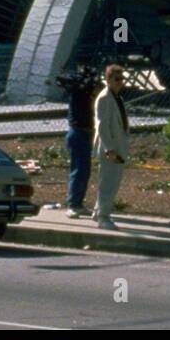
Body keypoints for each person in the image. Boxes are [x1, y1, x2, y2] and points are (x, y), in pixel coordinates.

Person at [92, 63, 131, 230]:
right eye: (116, 79)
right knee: (107, 183)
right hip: (110, 149)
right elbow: (102, 126)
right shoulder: (104, 98)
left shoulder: (117, 97)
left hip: (118, 146)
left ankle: (97, 212)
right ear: (108, 79)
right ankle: (103, 217)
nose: (120, 82)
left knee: (112, 182)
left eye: (122, 79)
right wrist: (110, 149)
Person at [63, 74, 97, 218]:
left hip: (83, 134)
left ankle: (78, 203)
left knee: (84, 170)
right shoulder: (78, 95)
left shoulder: (83, 96)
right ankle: (72, 204)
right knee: (78, 170)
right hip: (78, 134)